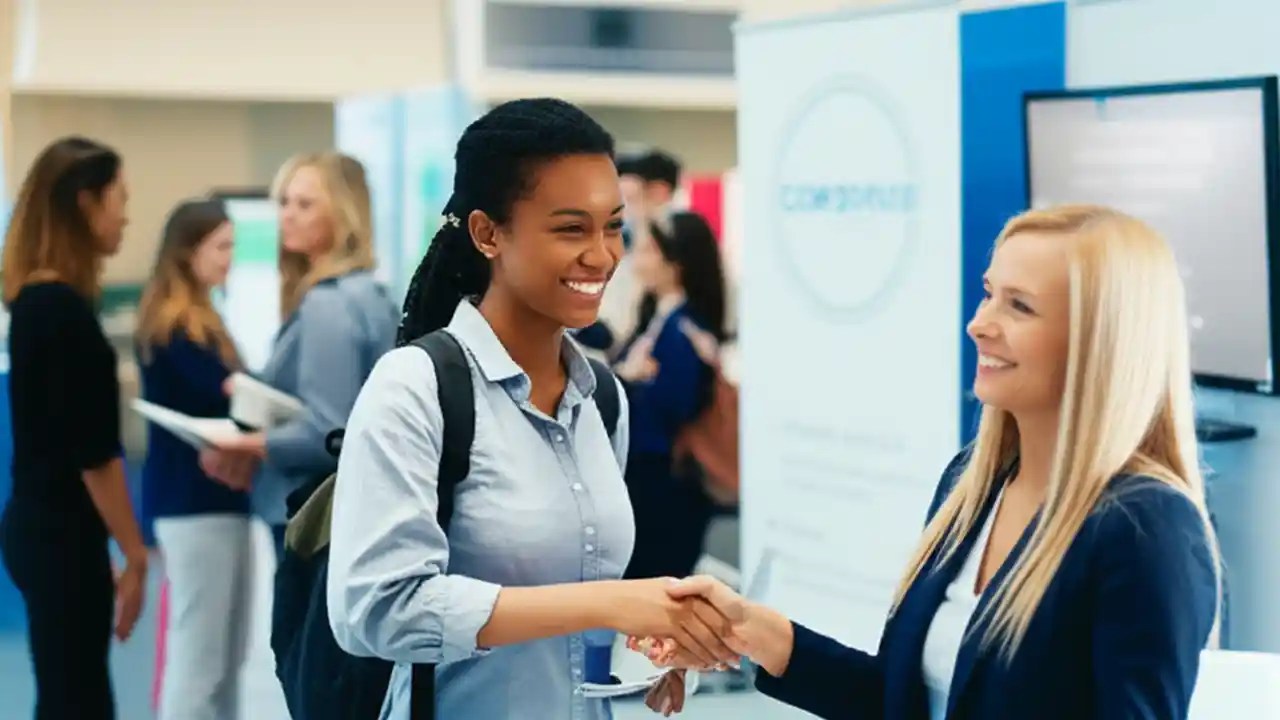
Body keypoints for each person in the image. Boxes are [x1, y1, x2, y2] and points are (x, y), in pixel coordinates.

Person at [642, 205, 1221, 719]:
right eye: (989, 293)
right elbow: (898, 700)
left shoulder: (1147, 528)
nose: (980, 324)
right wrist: (756, 632)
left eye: (1018, 306)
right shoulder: (970, 485)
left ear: (1103, 340)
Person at [325, 98, 738, 720]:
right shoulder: (414, 388)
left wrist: (650, 643)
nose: (601, 255)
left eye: (613, 226)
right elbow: (376, 611)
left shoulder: (603, 399)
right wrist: (606, 604)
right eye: (571, 229)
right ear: (488, 233)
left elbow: (579, 603)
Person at [0, 137, 148, 720]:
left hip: (47, 529)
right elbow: (94, 456)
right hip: (58, 533)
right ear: (86, 203)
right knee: (78, 699)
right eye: (119, 199)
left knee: (67, 688)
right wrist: (134, 555)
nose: (126, 216)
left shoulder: (34, 303)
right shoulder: (59, 311)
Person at [200, 152, 398, 556]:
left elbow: (326, 432)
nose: (287, 215)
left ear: (344, 214)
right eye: (284, 203)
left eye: (305, 204)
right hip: (350, 514)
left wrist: (244, 444)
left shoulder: (330, 303)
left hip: (310, 515)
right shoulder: (370, 295)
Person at [136, 199, 254, 720]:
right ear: (188, 253)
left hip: (215, 503)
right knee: (200, 658)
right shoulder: (176, 326)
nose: (231, 258)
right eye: (222, 246)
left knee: (222, 657)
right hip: (195, 505)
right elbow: (227, 399)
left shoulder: (204, 321)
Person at [616, 211, 726, 580]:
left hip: (667, 486)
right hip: (648, 480)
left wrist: (633, 384)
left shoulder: (686, 329)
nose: (637, 261)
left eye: (648, 251)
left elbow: (674, 405)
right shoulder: (656, 318)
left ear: (675, 263)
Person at [578, 149, 684, 359]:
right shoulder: (625, 244)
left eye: (628, 198)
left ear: (658, 192)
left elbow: (610, 335)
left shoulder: (669, 240)